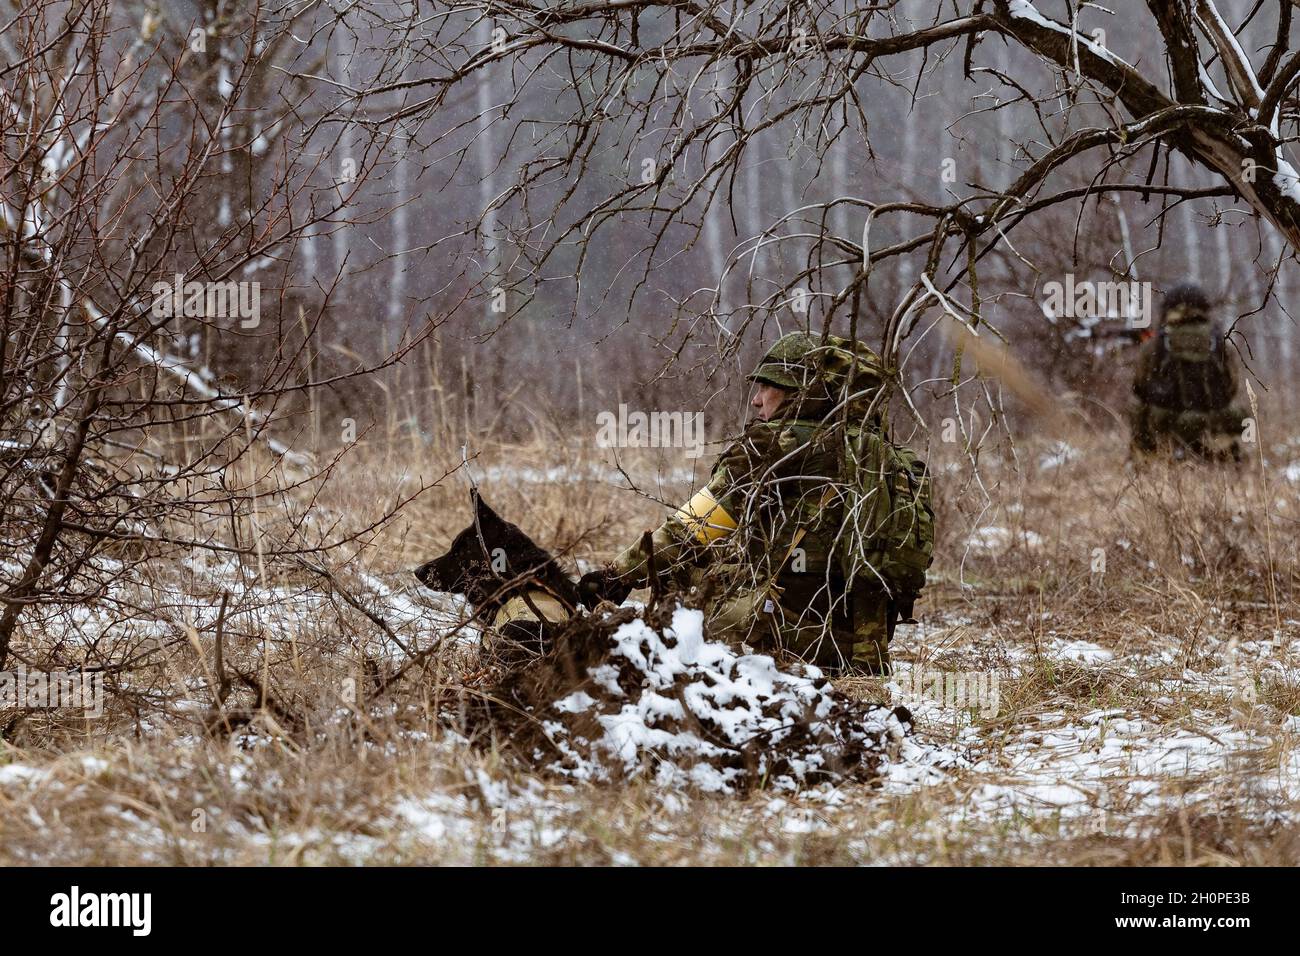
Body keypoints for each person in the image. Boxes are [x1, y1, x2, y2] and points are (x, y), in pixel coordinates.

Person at [579, 331, 931, 675]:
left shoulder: (780, 445)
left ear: (801, 393)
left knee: (686, 574)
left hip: (799, 639)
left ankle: (693, 673)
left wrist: (617, 576)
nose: (757, 400)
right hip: (860, 644)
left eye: (768, 387)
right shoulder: (883, 454)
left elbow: (692, 529)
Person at [1129, 284, 1246, 461]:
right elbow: (1231, 387)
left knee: (1138, 407)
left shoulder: (1155, 344)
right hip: (1214, 435)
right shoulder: (1220, 342)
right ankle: (1225, 454)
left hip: (1166, 437)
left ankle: (1147, 457)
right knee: (1233, 410)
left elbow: (1139, 387)